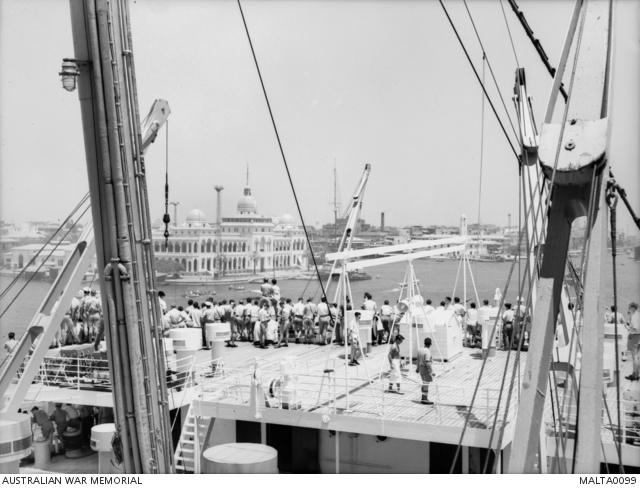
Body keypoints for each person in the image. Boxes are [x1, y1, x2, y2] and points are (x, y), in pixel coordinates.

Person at [416, 337, 435, 405]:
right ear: (430, 344)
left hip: (421, 368)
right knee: (426, 384)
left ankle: (423, 397)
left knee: (424, 383)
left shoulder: (420, 350)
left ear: (424, 343)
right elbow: (427, 361)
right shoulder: (427, 351)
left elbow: (418, 359)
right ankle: (425, 399)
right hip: (425, 368)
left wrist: (417, 368)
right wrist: (431, 371)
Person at [626, 301, 640, 381]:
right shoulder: (638, 315)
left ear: (632, 308)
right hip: (639, 337)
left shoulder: (634, 316)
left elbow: (635, 328)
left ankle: (634, 375)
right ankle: (637, 373)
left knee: (634, 357)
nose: (629, 309)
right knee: (637, 356)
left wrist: (629, 331)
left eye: (629, 308)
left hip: (634, 337)